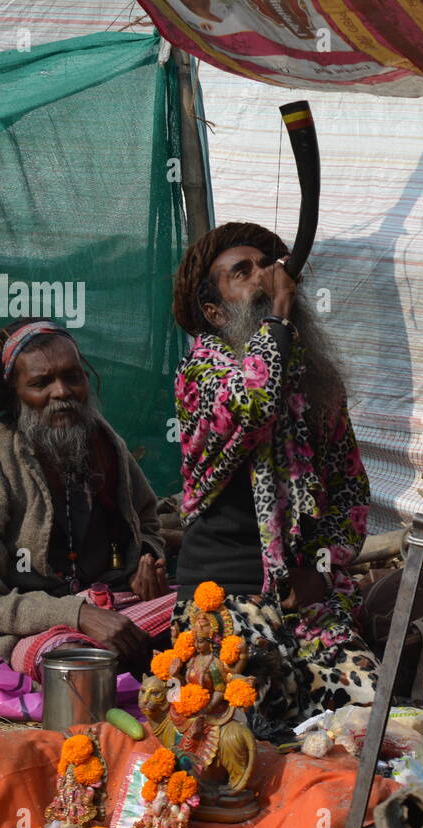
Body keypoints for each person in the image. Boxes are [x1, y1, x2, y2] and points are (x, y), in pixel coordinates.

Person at [169, 222, 377, 732]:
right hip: (225, 597)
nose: (266, 276)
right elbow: (252, 403)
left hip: (304, 599)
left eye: (267, 265)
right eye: (244, 272)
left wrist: (323, 572)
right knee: (248, 724)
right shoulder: (201, 377)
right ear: (215, 314)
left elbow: (350, 490)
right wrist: (279, 317)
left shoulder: (316, 381)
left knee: (369, 713)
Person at [0, 320, 170, 679]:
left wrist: (148, 557)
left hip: (117, 608)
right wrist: (78, 615)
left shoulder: (103, 443)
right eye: (41, 383)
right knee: (79, 665)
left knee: (214, 616)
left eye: (73, 376)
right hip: (30, 634)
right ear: (15, 391)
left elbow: (147, 521)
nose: (62, 392)